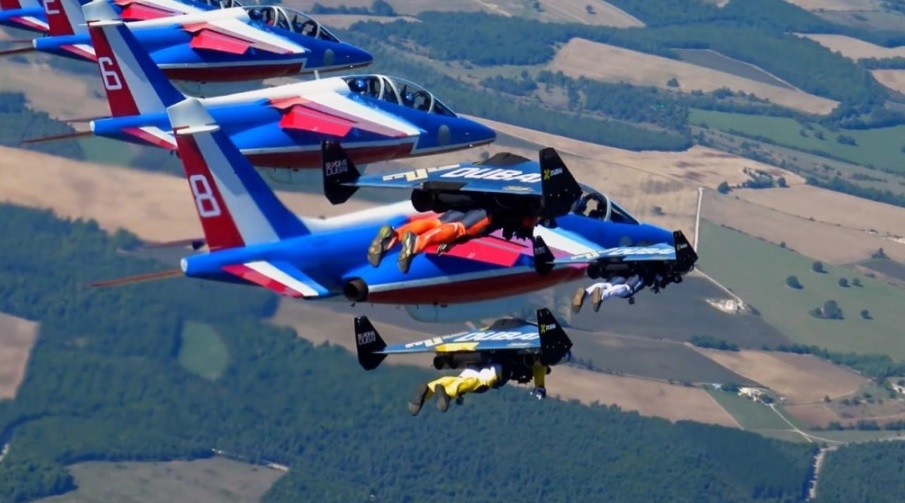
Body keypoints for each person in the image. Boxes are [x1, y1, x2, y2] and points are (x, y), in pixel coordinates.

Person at [369, 209, 538, 273]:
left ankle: (394, 235)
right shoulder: (532, 203)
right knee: (461, 230)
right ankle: (417, 243)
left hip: (474, 201)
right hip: (490, 213)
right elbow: (528, 219)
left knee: (437, 223)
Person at [408, 360, 551, 416]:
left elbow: (540, 367)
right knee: (479, 382)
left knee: (463, 379)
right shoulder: (534, 359)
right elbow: (540, 366)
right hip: (499, 367)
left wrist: (540, 386)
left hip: (479, 361)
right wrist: (540, 387)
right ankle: (448, 393)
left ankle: (429, 389)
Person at [572, 275, 644, 313]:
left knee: (608, 284)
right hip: (640, 273)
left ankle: (585, 293)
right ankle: (602, 295)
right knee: (627, 288)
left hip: (625, 269)